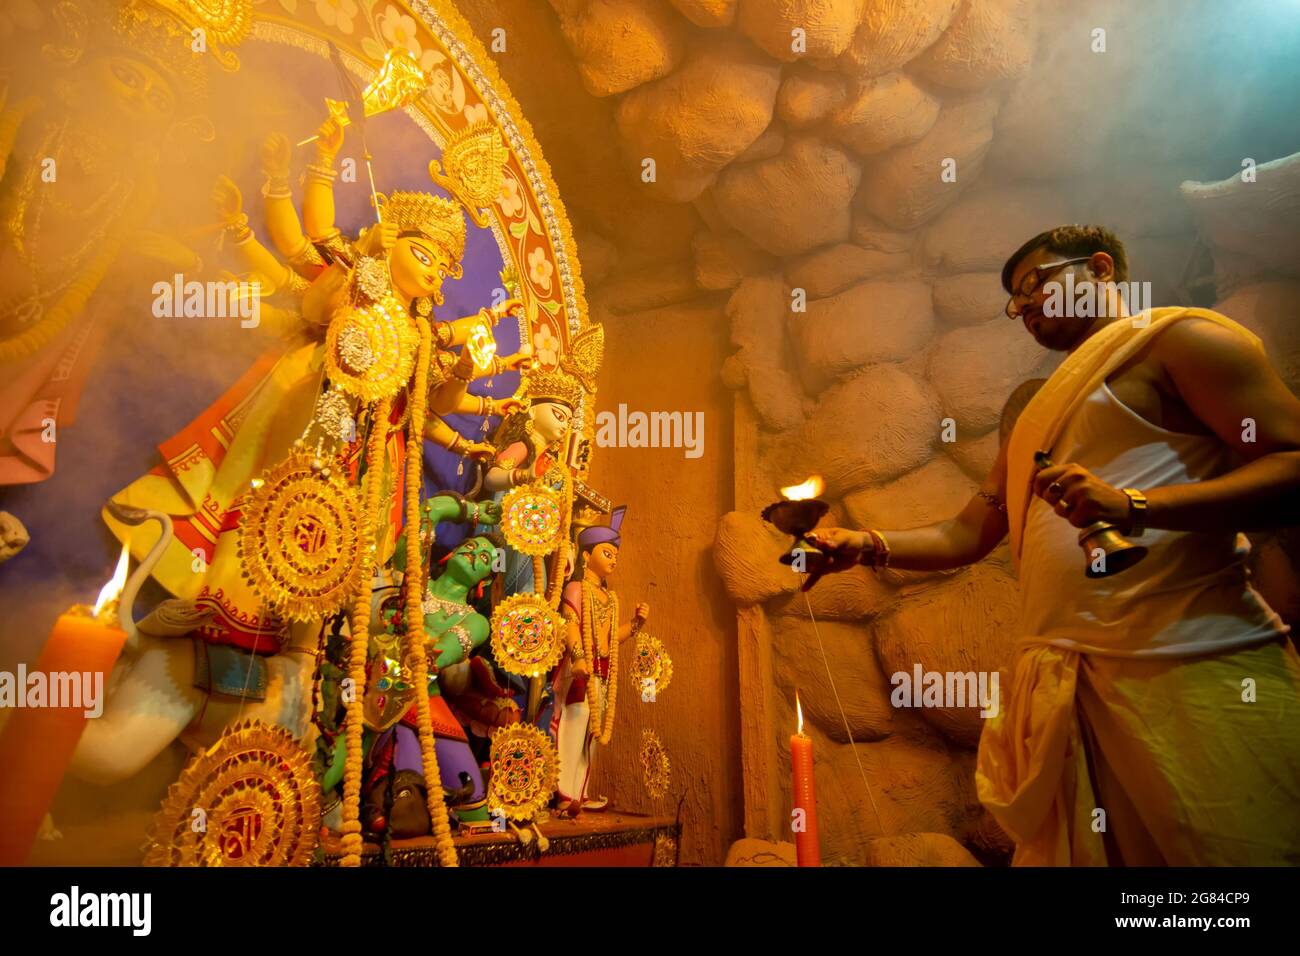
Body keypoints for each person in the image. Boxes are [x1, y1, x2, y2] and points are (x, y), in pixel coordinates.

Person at [811, 224, 1300, 865]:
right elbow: (967, 532)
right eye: (1016, 301)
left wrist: (1134, 506)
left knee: (1239, 859)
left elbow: (1291, 462)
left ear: (1100, 268)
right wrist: (865, 544)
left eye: (1037, 284)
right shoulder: (1032, 410)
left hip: (1189, 655)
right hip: (1071, 682)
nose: (1026, 307)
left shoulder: (1181, 340)